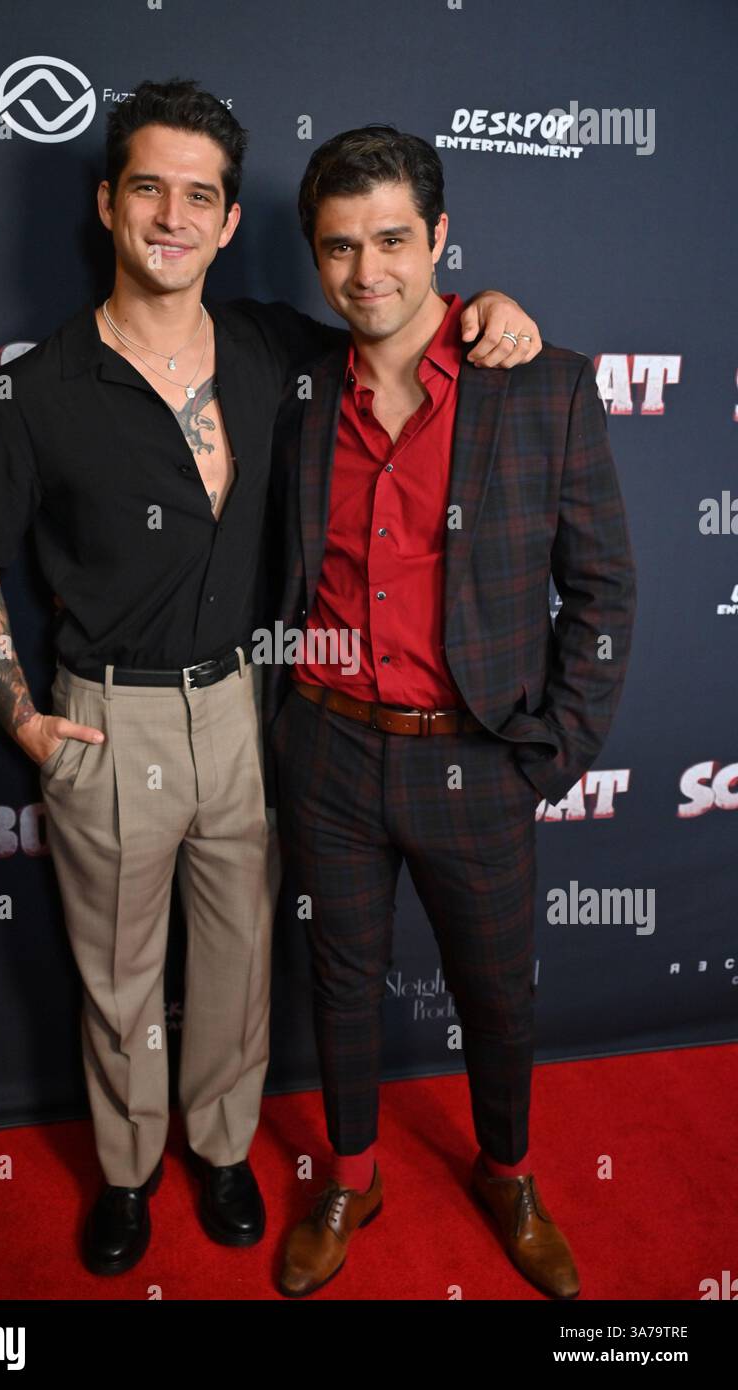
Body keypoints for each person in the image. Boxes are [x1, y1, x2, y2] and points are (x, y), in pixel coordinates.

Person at [0, 79, 543, 1279]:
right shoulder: (35, 389)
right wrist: (25, 719)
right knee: (119, 978)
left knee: (236, 964)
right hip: (104, 717)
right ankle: (124, 1173)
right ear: (109, 203)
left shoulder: (276, 345)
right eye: (149, 186)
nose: (173, 214)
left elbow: (403, 318)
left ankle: (219, 1150)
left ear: (226, 224)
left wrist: (496, 311)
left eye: (200, 195)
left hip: (246, 709)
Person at [266, 124, 636, 1300]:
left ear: (438, 238)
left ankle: (511, 1171)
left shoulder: (544, 382)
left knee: (496, 990)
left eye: (391, 240)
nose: (366, 272)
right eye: (337, 247)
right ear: (312, 257)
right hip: (324, 742)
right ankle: (353, 1171)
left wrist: (558, 751)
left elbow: (605, 589)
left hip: (478, 757)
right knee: (338, 977)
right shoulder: (292, 382)